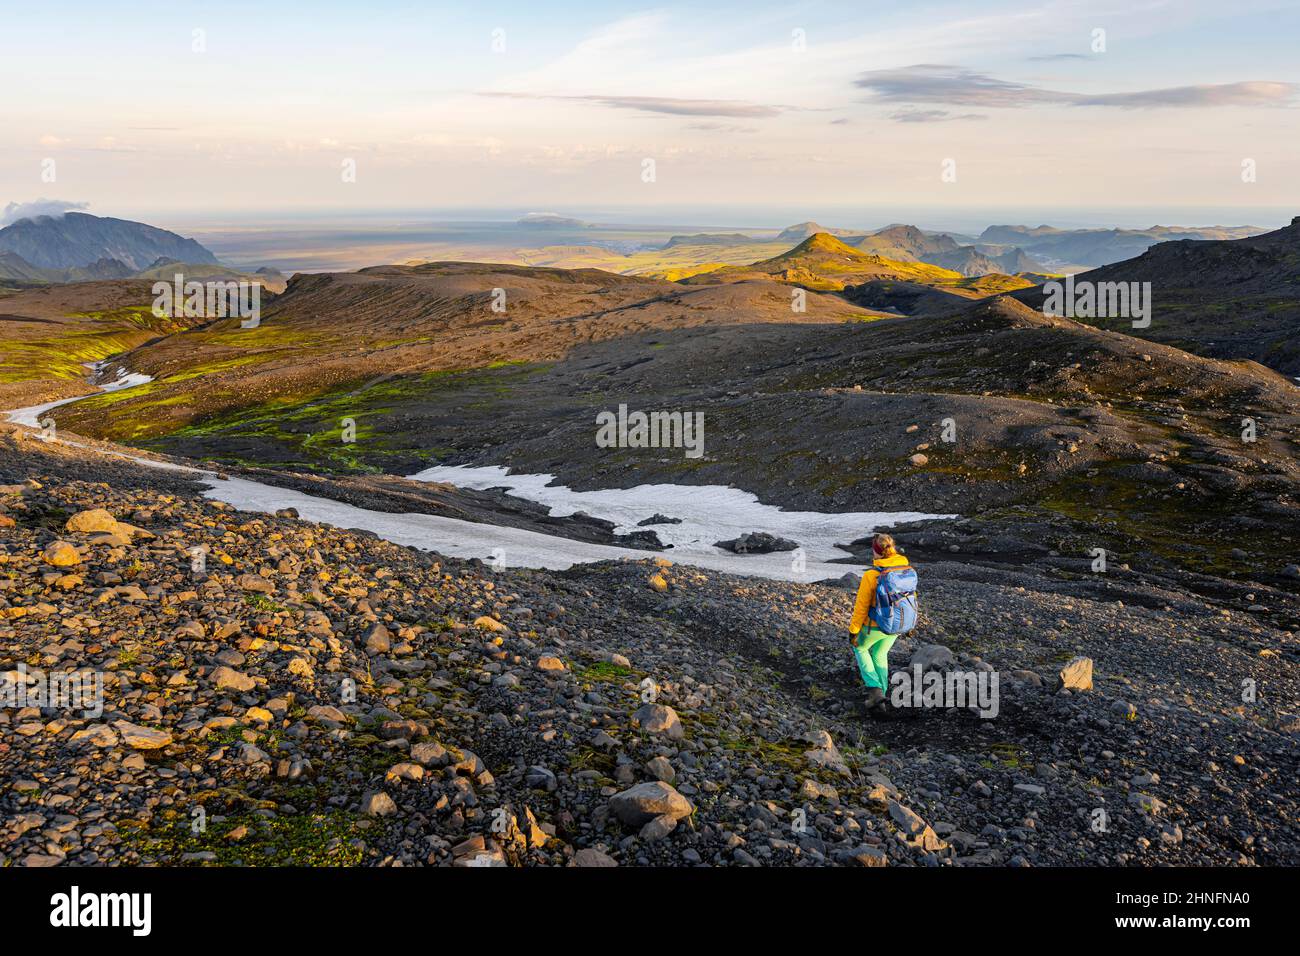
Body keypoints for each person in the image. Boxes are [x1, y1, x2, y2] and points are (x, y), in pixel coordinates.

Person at [847, 533, 911, 713]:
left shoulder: (871, 575)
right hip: (898, 625)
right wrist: (909, 624)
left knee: (860, 648)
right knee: (880, 654)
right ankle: (881, 697)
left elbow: (861, 606)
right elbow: (911, 598)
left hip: (875, 626)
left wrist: (853, 630)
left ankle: (875, 691)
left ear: (876, 552)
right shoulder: (905, 569)